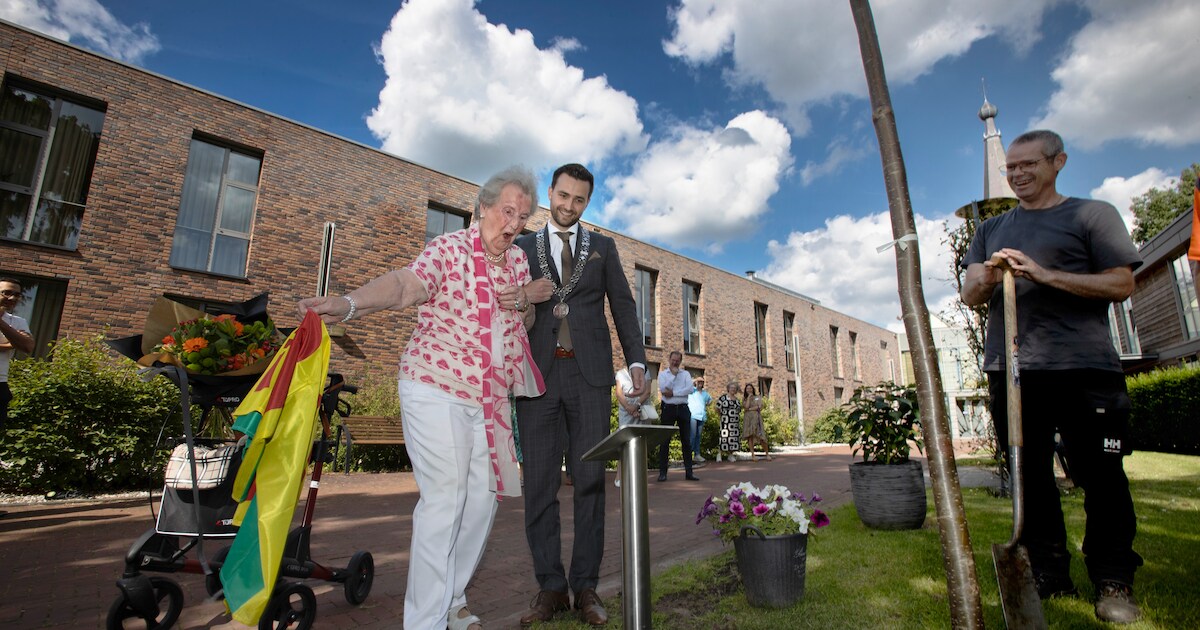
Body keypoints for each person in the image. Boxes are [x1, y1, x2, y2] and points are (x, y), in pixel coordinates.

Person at [298, 166, 544, 630]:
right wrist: (351, 304)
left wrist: (524, 304)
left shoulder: (517, 263)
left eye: (523, 217)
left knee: (484, 500)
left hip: (488, 400)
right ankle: (425, 622)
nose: (513, 224)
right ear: (483, 207)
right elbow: (406, 284)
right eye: (507, 211)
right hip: (435, 386)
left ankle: (451, 598)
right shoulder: (449, 249)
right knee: (446, 498)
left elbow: (520, 327)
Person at [961, 129, 1144, 624]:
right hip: (1014, 370)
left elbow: (1121, 283)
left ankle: (1113, 577)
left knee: (1101, 475)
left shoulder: (1090, 214)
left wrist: (1044, 274)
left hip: (1084, 368)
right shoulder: (991, 228)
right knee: (1030, 477)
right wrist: (984, 276)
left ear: (1057, 161)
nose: (1018, 174)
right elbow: (970, 293)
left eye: (1028, 165)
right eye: (1010, 168)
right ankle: (1047, 571)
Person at [515, 163, 647, 627]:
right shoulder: (522, 246)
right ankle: (550, 587)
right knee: (539, 486)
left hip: (590, 378)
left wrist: (635, 362)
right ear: (549, 192)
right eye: (563, 195)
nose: (569, 206)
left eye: (579, 200)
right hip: (537, 377)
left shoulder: (604, 248)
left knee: (590, 482)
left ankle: (586, 587)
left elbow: (624, 307)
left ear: (588, 202)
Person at [656, 350, 699, 482]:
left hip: (683, 409)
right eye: (673, 360)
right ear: (669, 359)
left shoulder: (685, 374)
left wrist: (674, 393)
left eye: (677, 361)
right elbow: (664, 390)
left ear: (680, 361)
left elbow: (690, 390)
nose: (675, 362)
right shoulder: (663, 374)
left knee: (686, 441)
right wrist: (673, 376)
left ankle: (689, 472)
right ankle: (662, 473)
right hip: (668, 409)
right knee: (665, 441)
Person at [0, 278, 33, 435]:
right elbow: (17, 343)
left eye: (17, 295)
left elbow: (27, 346)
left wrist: (1, 323)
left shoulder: (17, 321)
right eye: (6, 293)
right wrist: (10, 343)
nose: (12, 298)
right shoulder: (16, 327)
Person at [613, 366, 650, 488]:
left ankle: (640, 476)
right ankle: (619, 475)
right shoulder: (620, 373)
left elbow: (647, 391)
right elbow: (618, 393)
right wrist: (629, 407)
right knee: (624, 442)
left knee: (641, 442)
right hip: (626, 411)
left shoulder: (646, 372)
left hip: (641, 409)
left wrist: (637, 405)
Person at [742, 383, 770, 461]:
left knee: (761, 436)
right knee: (750, 436)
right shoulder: (744, 399)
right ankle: (753, 455)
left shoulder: (758, 397)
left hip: (757, 418)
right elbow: (746, 406)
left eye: (750, 388)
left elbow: (760, 407)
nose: (749, 390)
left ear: (753, 389)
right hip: (748, 419)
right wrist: (749, 398)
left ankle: (767, 454)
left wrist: (750, 409)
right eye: (747, 388)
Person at [686, 377, 712, 462]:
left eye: (702, 382)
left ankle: (697, 454)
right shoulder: (692, 391)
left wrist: (707, 403)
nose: (700, 383)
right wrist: (694, 381)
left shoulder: (705, 393)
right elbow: (687, 385)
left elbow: (710, 400)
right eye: (699, 382)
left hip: (702, 416)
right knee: (692, 435)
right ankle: (688, 454)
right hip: (693, 415)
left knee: (698, 436)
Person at [715, 382, 742, 462]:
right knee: (724, 437)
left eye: (734, 388)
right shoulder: (723, 398)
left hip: (734, 422)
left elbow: (739, 410)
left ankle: (730, 454)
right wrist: (722, 416)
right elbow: (717, 408)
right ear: (728, 389)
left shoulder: (737, 400)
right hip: (725, 421)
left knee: (733, 438)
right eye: (731, 388)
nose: (733, 389)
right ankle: (719, 454)